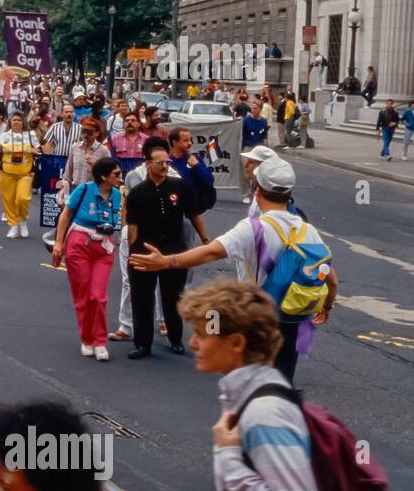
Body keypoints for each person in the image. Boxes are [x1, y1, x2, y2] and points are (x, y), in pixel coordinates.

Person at [129, 158, 336, 383]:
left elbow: (211, 252)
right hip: (292, 318)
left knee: (249, 383)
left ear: (257, 190)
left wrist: (167, 261)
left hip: (257, 318)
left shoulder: (254, 227)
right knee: (282, 380)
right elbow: (330, 278)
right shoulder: (307, 230)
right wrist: (327, 305)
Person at [169, 279, 325, 491]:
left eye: (202, 334)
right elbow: (252, 485)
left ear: (236, 343)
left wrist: (229, 457)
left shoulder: (265, 413)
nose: (192, 343)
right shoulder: (249, 394)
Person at [124, 140, 205, 359]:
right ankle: (143, 344)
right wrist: (132, 253)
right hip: (144, 251)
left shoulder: (180, 187)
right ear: (147, 164)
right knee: (142, 299)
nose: (163, 166)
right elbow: (132, 227)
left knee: (173, 298)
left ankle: (176, 339)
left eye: (166, 162)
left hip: (174, 251)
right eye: (158, 162)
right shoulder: (137, 192)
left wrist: (205, 238)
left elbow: (194, 214)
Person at [52, 157, 123, 362]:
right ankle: (87, 339)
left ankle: (100, 340)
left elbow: (117, 219)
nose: (120, 178)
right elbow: (66, 214)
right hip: (79, 245)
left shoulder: (117, 195)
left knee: (98, 296)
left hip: (104, 247)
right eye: (116, 174)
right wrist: (59, 243)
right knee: (83, 295)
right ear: (104, 176)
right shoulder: (83, 190)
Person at [0, 112, 38, 240]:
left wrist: (31, 150)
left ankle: (23, 221)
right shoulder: (4, 136)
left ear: (23, 122)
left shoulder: (30, 135)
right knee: (8, 200)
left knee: (22, 198)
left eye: (19, 120)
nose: (17, 122)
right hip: (6, 172)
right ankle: (13, 225)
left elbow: (39, 150)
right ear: (10, 122)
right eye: (14, 120)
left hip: (25, 172)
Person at [240, 102, 270, 203]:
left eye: (255, 108)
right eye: (252, 108)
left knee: (257, 172)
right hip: (248, 147)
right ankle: (247, 194)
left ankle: (256, 192)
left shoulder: (263, 122)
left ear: (260, 110)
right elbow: (240, 134)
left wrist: (266, 147)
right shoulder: (246, 121)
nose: (253, 110)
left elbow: (265, 136)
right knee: (246, 171)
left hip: (259, 148)